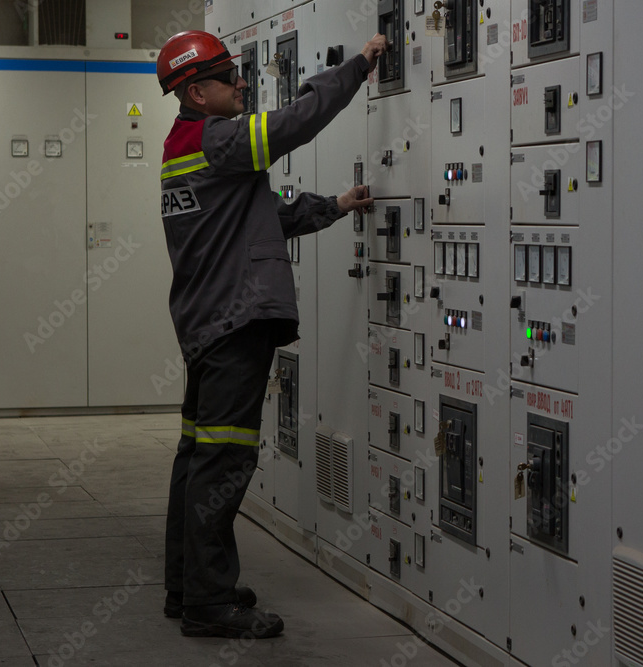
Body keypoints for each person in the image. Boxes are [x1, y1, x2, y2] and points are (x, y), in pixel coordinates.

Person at [157, 29, 388, 639]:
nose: (241, 83)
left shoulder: (184, 147)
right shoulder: (219, 140)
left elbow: (261, 219)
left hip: (207, 325)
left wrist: (334, 205)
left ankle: (188, 588)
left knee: (196, 459)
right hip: (234, 325)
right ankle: (210, 604)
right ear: (197, 93)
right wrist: (359, 66)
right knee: (224, 462)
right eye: (228, 76)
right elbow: (295, 123)